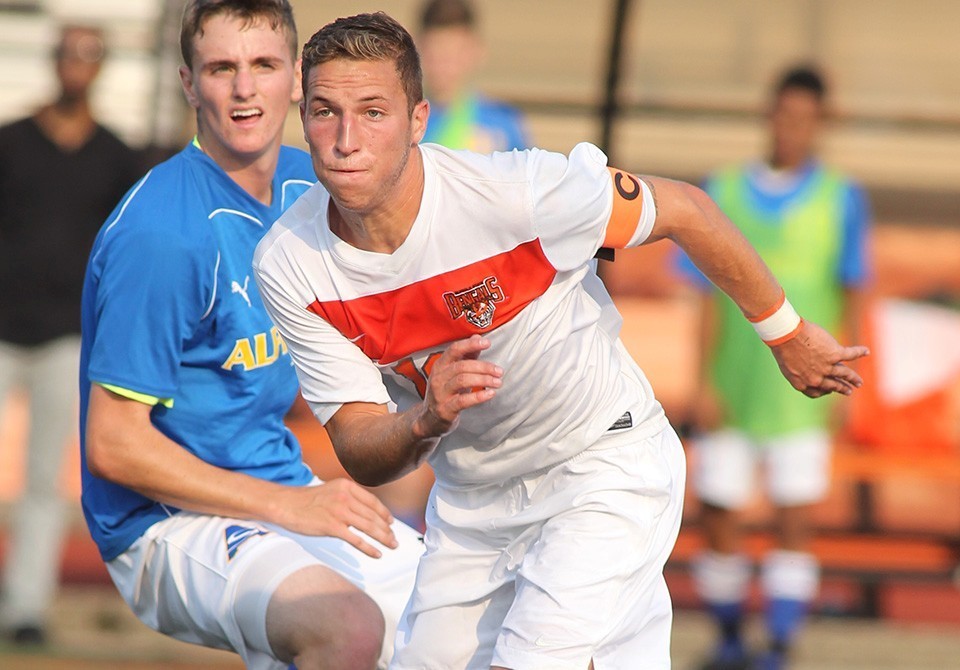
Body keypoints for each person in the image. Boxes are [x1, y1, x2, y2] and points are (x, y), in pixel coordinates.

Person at [253, 13, 867, 669]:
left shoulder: (517, 193)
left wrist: (787, 334)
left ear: (418, 119)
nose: (346, 139)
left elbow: (686, 209)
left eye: (372, 111)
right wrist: (426, 418)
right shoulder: (289, 262)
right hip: (471, 507)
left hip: (601, 465)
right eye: (325, 111)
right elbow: (361, 446)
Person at [78, 2, 423, 669]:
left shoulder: (312, 186)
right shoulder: (162, 233)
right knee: (346, 628)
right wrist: (292, 504)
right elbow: (113, 444)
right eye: (220, 68)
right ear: (187, 83)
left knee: (461, 614)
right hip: (164, 521)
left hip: (281, 487)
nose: (243, 89)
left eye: (263, 64)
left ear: (296, 78)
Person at [675, 65, 870, 670]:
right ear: (769, 114)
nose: (792, 128)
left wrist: (852, 380)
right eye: (784, 114)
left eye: (805, 118)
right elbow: (705, 295)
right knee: (720, 512)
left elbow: (854, 288)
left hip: (803, 392)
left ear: (820, 124)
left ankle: (780, 644)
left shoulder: (842, 199)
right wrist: (702, 377)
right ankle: (730, 635)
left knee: (793, 514)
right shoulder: (724, 191)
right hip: (736, 381)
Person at [0, 24, 142, 645]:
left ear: (102, 65)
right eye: (68, 53)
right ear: (53, 61)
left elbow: (123, 254)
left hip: (67, 336)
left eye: (90, 53)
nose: (77, 64)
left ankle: (25, 608)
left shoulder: (116, 155)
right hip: (2, 329)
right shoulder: (10, 143)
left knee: (43, 483)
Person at [417, 0, 529, 152]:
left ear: (476, 51)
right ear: (418, 50)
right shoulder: (407, 122)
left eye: (454, 55)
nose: (444, 66)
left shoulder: (502, 125)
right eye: (435, 55)